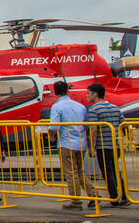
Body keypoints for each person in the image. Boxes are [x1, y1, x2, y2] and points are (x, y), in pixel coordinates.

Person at [84, 82, 127, 206]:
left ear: (95, 94)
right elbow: (122, 123)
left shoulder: (94, 109)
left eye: (89, 93)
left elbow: (93, 129)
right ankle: (124, 195)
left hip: (103, 145)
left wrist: (91, 147)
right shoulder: (115, 107)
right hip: (115, 145)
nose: (87, 96)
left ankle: (114, 197)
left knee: (107, 172)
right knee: (115, 170)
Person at [49, 81, 88, 210]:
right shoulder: (80, 106)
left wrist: (51, 135)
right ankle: (94, 195)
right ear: (67, 90)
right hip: (81, 143)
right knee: (79, 171)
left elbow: (54, 126)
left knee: (71, 173)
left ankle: (76, 201)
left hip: (66, 142)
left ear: (55, 92)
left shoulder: (57, 107)